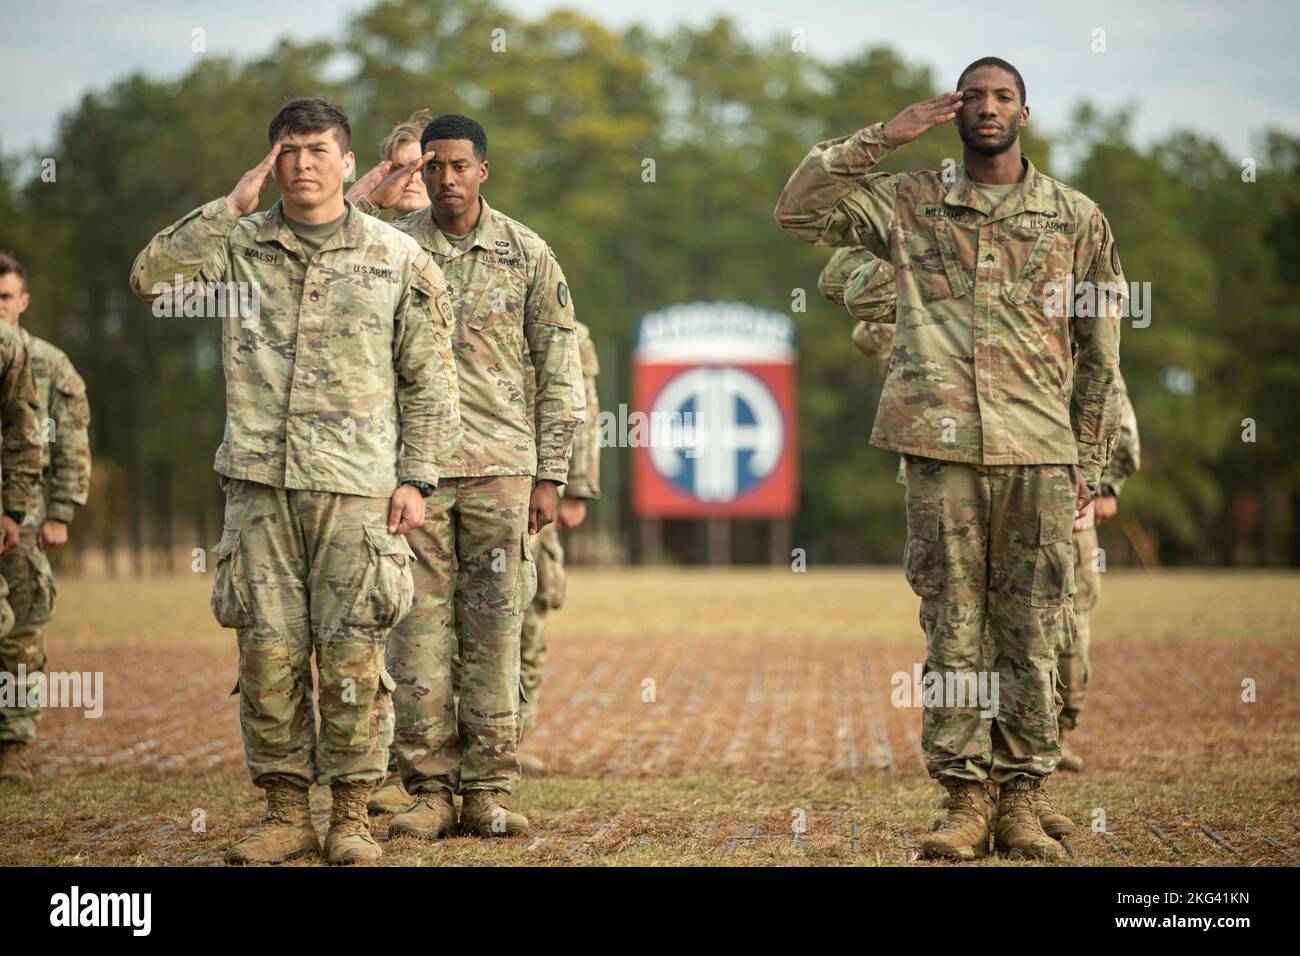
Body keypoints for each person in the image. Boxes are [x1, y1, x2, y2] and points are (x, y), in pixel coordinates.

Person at [776, 57, 1124, 860]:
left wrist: (1092, 462)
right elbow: (798, 213)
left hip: (1040, 452)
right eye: (973, 97)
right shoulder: (910, 202)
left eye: (1003, 96)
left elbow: (1099, 354)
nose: (988, 108)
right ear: (953, 112)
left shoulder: (1076, 219)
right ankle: (965, 801)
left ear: (1025, 114)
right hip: (940, 451)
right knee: (953, 630)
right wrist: (884, 137)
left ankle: (1023, 802)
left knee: (1033, 629)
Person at [129, 97, 461, 865]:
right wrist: (227, 205)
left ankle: (350, 817)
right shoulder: (238, 247)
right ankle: (285, 815)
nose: (302, 163)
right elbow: (152, 281)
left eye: (318, 150)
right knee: (267, 657)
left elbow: (429, 380)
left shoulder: (395, 257)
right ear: (270, 163)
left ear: (350, 165)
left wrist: (418, 477)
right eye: (288, 151)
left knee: (352, 659)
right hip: (259, 489)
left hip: (359, 491)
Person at [350, 113, 584, 839]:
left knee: (495, 632)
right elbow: (324, 233)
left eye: (458, 165)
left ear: (483, 170)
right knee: (416, 635)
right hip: (414, 477)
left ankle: (487, 791)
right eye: (432, 167)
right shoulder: (388, 248)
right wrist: (381, 179)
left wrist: (553, 474)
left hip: (502, 475)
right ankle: (428, 792)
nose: (445, 179)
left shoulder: (528, 253)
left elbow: (560, 366)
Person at [0, 253, 92, 784]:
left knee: (22, 630)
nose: (1, 308)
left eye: (7, 298)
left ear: (24, 302)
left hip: (27, 515)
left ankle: (13, 743)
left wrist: (60, 512)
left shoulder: (50, 364)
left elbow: (75, 440)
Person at [517, 320, 601, 775]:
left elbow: (585, 410)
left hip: (538, 486)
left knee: (531, 611)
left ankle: (515, 735)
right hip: (469, 476)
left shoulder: (568, 329)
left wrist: (578, 487)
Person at [1058, 374, 1140, 771]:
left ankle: (1057, 735)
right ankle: (1009, 744)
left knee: (1073, 622)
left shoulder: (1078, 324)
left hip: (1075, 502)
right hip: (1022, 496)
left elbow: (1112, 396)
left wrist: (1107, 486)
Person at [348, 110, 433, 218]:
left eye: (421, 168)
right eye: (398, 168)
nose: (410, 178)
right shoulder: (368, 233)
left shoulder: (457, 231)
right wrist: (350, 212)